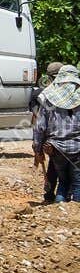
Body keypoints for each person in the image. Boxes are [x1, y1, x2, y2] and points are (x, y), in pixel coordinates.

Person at [32, 64, 80, 204]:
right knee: (77, 182)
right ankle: (74, 212)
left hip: (56, 149)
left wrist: (37, 149)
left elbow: (39, 128)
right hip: (78, 148)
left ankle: (59, 209)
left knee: (63, 181)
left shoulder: (49, 98)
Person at [33, 62, 65, 203]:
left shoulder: (44, 93)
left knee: (53, 167)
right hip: (69, 141)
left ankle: (50, 196)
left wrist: (38, 148)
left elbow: (38, 120)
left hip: (51, 140)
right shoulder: (73, 92)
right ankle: (61, 199)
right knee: (66, 175)